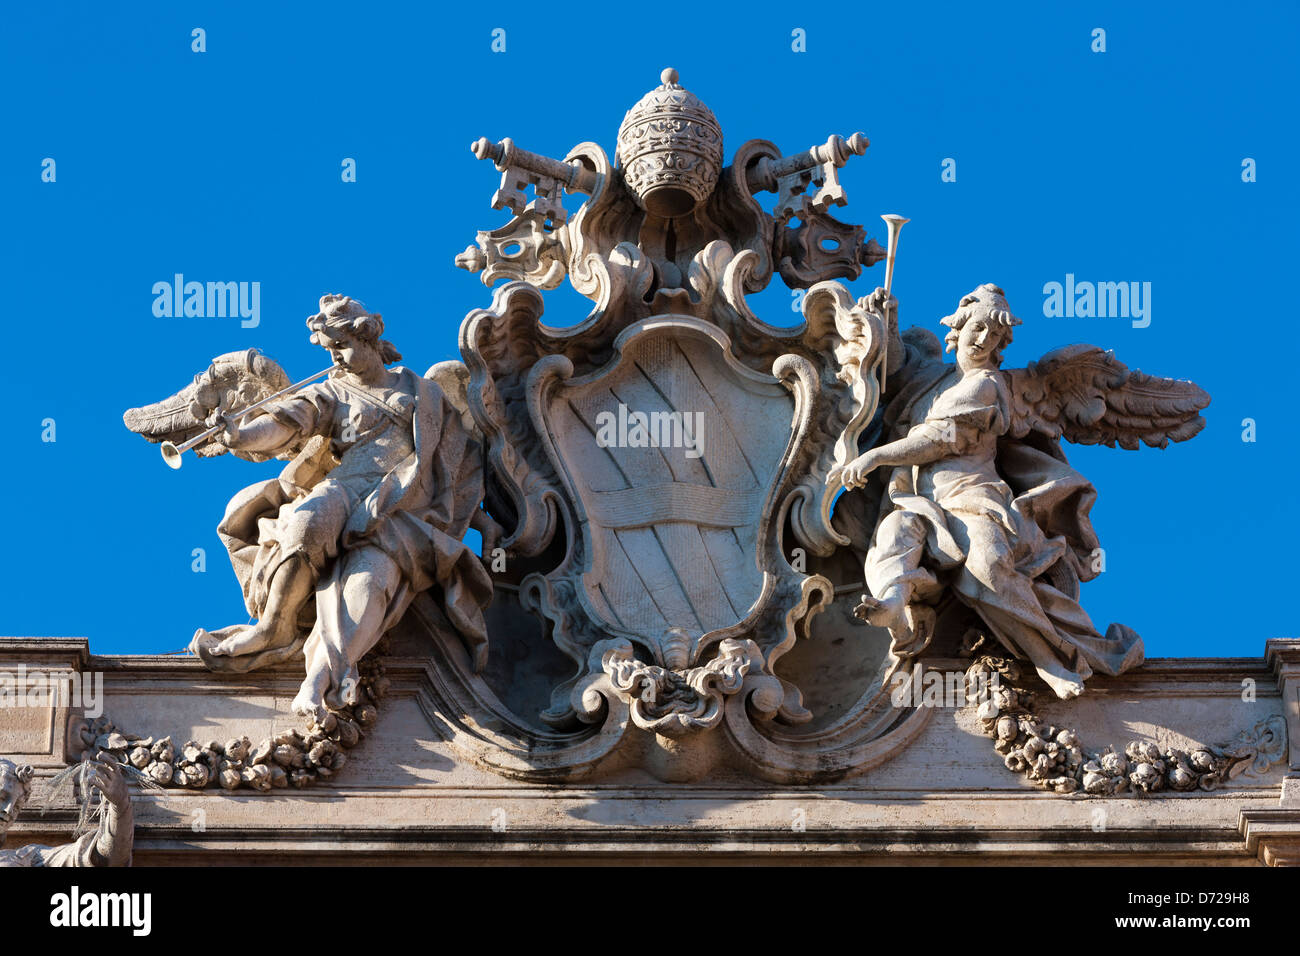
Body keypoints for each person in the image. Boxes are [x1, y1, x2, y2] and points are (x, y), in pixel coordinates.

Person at [190, 294, 496, 719]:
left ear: (369, 338)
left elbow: (455, 465)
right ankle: (273, 627)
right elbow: (283, 423)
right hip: (345, 486)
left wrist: (479, 519)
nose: (337, 357)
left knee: (367, 586)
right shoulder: (332, 390)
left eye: (342, 346)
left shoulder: (422, 391)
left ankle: (319, 679)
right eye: (330, 350)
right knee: (304, 527)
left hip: (401, 510)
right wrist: (240, 435)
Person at [837, 284, 1142, 699]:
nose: (983, 341)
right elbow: (891, 372)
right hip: (917, 498)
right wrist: (885, 321)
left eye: (995, 337)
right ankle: (893, 603)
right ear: (959, 326)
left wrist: (874, 458)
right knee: (893, 534)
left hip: (972, 498)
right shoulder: (933, 376)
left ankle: (1055, 658)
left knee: (988, 567)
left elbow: (939, 438)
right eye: (978, 328)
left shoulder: (986, 385)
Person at [0, 757, 134, 867]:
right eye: (1, 798)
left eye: (17, 806)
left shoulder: (27, 858)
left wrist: (120, 806)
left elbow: (104, 858)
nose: (8, 810)